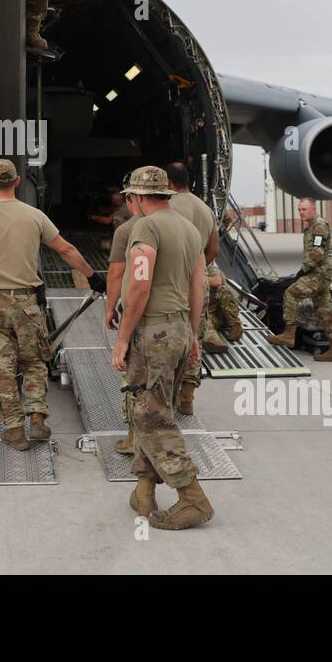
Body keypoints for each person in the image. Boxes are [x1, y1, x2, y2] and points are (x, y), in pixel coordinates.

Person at [0, 159, 104, 449]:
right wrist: (92, 277)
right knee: (35, 359)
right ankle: (37, 418)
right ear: (17, 182)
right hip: (27, 301)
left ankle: (14, 429)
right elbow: (65, 249)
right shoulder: (34, 215)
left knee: (1, 366)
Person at [111, 165, 213, 530]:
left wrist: (122, 337)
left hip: (153, 333)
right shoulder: (188, 229)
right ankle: (144, 492)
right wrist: (193, 332)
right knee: (150, 408)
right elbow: (198, 284)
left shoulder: (145, 227)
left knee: (152, 416)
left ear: (136, 198)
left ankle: (192, 498)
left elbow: (139, 283)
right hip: (180, 327)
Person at [165, 162, 228, 414]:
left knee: (168, 337)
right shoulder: (205, 209)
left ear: (168, 182)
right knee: (195, 339)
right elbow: (213, 249)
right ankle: (187, 398)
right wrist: (199, 267)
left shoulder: (166, 207)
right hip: (200, 281)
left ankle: (167, 396)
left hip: (174, 282)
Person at [267, 198, 332, 362]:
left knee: (291, 294)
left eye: (304, 209)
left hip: (319, 273)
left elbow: (317, 252)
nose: (301, 212)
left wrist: (303, 270)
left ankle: (289, 335)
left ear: (314, 209)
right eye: (299, 209)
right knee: (324, 310)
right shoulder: (312, 226)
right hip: (319, 272)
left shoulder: (318, 226)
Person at [105, 179, 142, 455]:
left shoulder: (128, 230)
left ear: (133, 199)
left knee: (133, 379)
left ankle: (134, 437)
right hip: (178, 320)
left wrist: (112, 310)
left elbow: (121, 276)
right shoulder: (185, 229)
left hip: (144, 321)